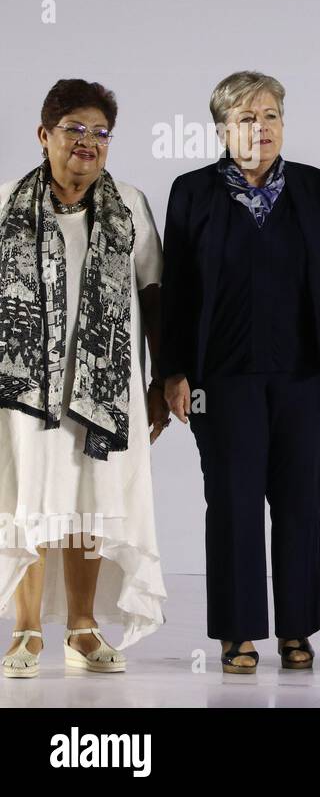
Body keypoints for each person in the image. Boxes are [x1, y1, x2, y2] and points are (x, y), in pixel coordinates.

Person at [160, 70, 320, 674]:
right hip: (223, 380)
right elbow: (177, 291)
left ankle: (296, 629)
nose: (260, 128)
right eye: (246, 118)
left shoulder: (316, 189)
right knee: (234, 503)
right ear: (221, 130)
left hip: (303, 378)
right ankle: (238, 632)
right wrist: (173, 371)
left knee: (299, 502)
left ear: (283, 125)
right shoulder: (191, 192)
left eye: (269, 116)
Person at [0, 79, 168, 677]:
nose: (88, 142)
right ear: (44, 135)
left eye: (100, 133)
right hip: (25, 388)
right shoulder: (5, 206)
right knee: (34, 499)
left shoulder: (131, 205)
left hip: (106, 386)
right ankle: (25, 632)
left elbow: (154, 298)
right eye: (74, 128)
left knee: (92, 504)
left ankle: (82, 628)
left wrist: (161, 382)